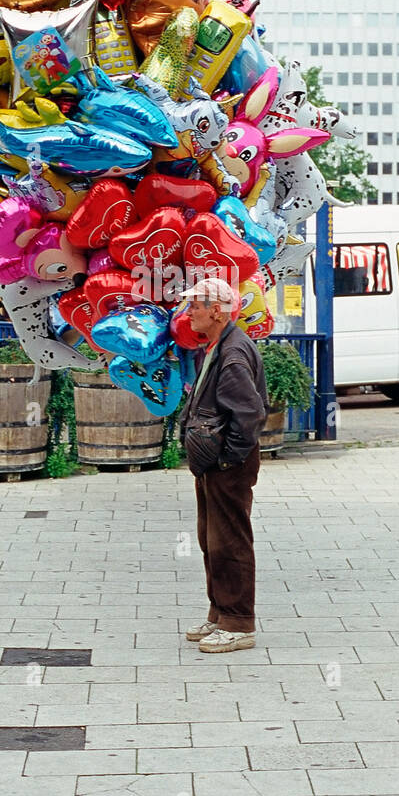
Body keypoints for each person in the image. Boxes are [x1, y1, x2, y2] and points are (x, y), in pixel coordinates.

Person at [178, 277, 270, 653]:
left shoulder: (232, 353)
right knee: (211, 539)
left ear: (217, 310)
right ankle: (220, 612)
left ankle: (237, 621)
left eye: (196, 306)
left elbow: (249, 414)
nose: (189, 313)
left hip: (226, 464)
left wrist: (229, 459)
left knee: (229, 541)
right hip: (214, 464)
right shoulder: (219, 345)